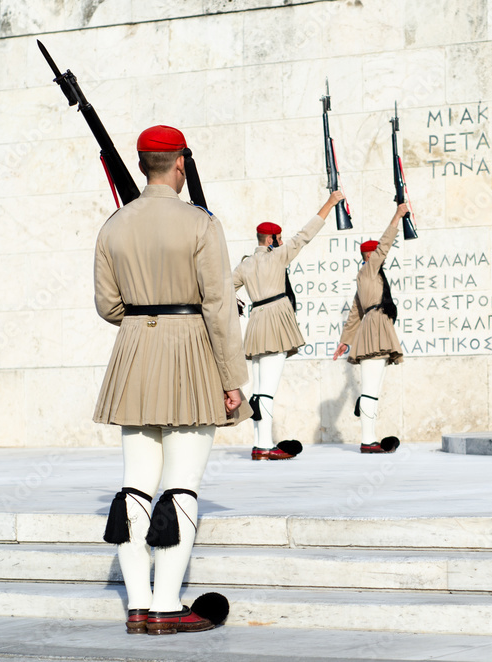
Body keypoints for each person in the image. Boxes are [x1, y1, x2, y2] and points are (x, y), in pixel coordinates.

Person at [94, 125, 250, 635]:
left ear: (143, 166)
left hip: (134, 356)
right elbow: (220, 307)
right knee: (181, 486)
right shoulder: (201, 224)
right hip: (190, 355)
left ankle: (137, 605)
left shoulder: (113, 225)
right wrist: (231, 377)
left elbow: (107, 305)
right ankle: (165, 606)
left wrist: (145, 324)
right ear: (181, 164)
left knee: (134, 488)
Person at [234, 191, 345, 460]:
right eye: (278, 238)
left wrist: (236, 300)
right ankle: (264, 446)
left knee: (259, 389)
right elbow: (305, 234)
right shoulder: (277, 256)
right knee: (267, 390)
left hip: (256, 323)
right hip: (275, 323)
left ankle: (260, 443)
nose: (282, 242)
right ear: (270, 240)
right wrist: (330, 203)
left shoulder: (245, 264)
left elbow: (224, 288)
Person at [332, 202, 410, 453]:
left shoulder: (369, 276)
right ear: (369, 255)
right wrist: (397, 214)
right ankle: (368, 440)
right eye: (375, 253)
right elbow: (386, 243)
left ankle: (369, 435)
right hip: (375, 328)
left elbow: (355, 310)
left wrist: (345, 339)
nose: (380, 255)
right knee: (370, 388)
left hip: (376, 326)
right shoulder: (369, 269)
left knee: (373, 387)